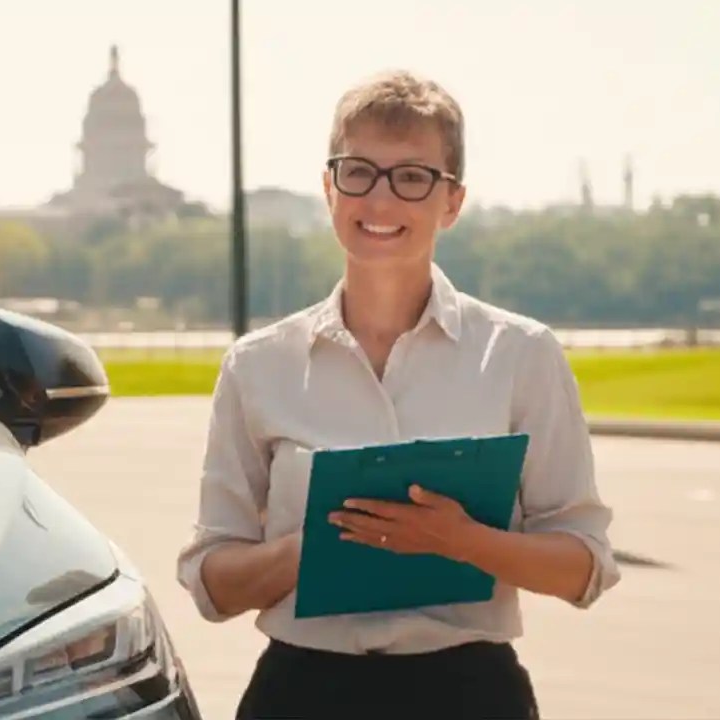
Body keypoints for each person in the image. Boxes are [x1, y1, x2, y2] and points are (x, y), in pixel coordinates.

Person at [175, 68, 620, 719]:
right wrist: (314, 550)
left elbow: (585, 568)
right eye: (359, 172)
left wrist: (459, 539)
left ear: (453, 201)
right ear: (329, 188)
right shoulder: (257, 366)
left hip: (470, 693)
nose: (380, 202)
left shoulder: (521, 354)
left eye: (412, 177)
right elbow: (212, 584)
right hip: (301, 693)